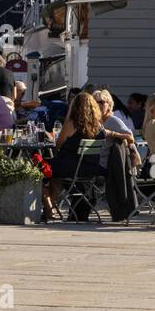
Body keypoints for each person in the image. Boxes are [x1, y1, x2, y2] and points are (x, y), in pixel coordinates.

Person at [43, 92, 107, 221]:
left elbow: (58, 144)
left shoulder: (71, 124)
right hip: (90, 169)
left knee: (39, 170)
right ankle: (49, 209)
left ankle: (48, 208)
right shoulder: (99, 127)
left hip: (71, 168)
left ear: (74, 107)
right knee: (55, 176)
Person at [94, 89, 140, 170]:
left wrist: (112, 133)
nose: (98, 105)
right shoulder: (94, 121)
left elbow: (130, 137)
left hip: (103, 164)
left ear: (109, 105)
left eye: (102, 102)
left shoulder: (112, 120)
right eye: (95, 102)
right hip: (93, 160)